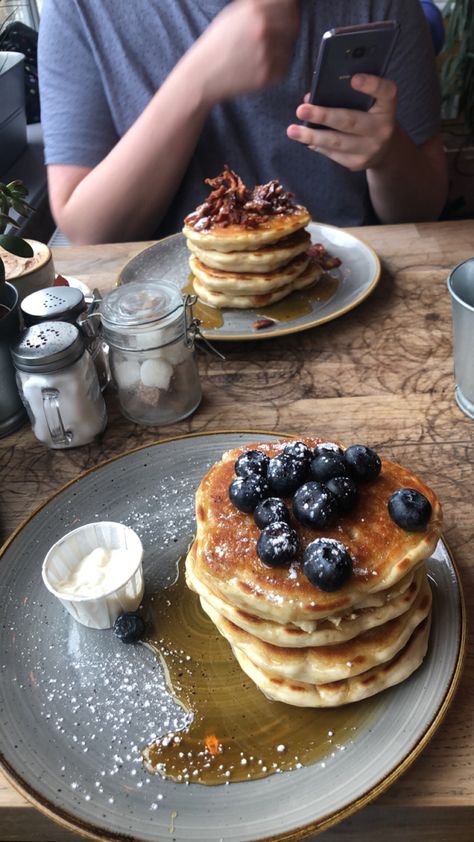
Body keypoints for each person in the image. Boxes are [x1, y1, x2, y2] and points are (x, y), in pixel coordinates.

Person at [38, 0, 448, 245]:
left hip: (345, 290)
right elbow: (89, 232)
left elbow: (423, 210)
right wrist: (196, 82)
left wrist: (388, 154)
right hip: (164, 323)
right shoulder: (80, 10)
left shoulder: (384, 5)